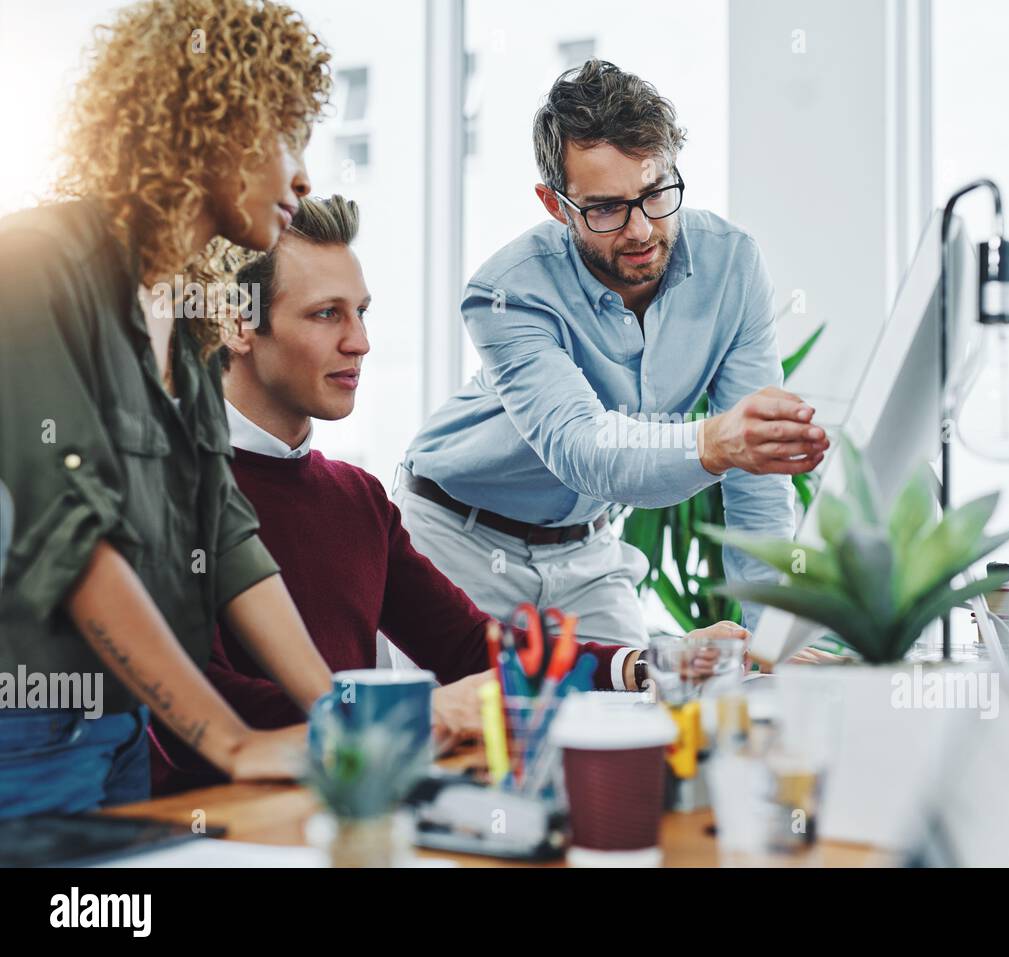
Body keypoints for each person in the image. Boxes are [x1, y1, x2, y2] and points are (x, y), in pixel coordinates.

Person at [150, 194, 746, 794]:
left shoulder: (355, 498)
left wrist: (643, 664)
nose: (360, 342)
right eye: (326, 315)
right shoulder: (166, 493)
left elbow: (469, 648)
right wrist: (418, 715)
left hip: (351, 807)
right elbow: (197, 707)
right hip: (224, 826)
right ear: (237, 325)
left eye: (361, 312)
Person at [0, 0, 338, 817]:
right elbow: (69, 531)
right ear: (215, 121)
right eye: (287, 132)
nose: (303, 177)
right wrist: (229, 739)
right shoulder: (33, 265)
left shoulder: (184, 325)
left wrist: (343, 718)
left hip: (121, 730)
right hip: (25, 734)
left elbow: (221, 533)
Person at [398, 59, 828, 649]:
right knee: (464, 730)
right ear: (555, 205)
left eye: (656, 195)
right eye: (605, 208)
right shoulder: (505, 292)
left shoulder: (734, 265)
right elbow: (583, 449)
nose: (641, 230)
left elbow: (757, 482)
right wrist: (713, 442)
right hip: (459, 540)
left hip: (586, 549)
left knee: (642, 716)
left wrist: (776, 646)